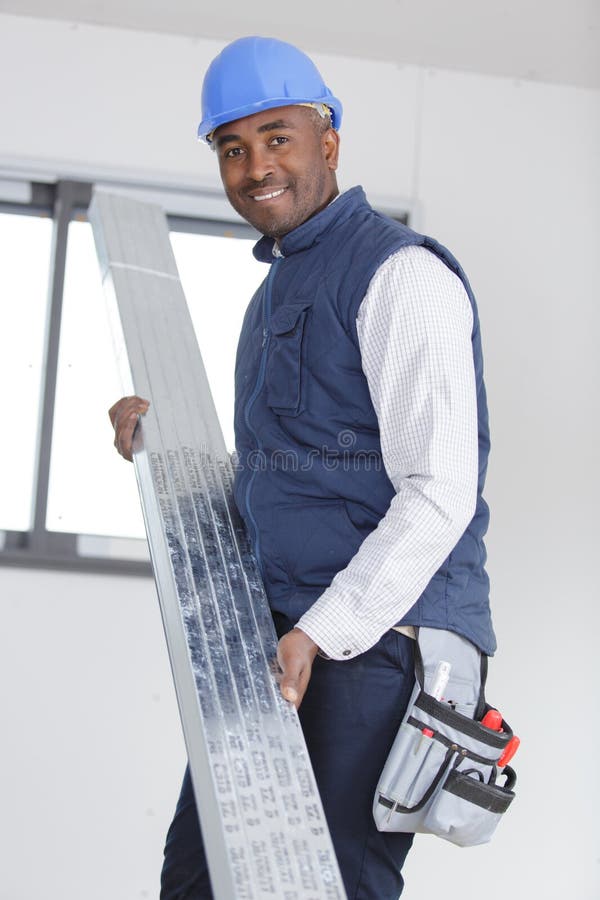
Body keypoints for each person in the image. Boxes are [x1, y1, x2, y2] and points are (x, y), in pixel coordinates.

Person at [109, 35, 496, 900]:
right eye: (232, 148)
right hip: (286, 637)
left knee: (328, 889)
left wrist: (321, 631)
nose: (255, 166)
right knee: (199, 880)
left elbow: (439, 494)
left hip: (376, 643)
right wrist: (160, 441)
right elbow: (285, 471)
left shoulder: (401, 276)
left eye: (277, 136)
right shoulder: (276, 293)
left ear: (329, 137)